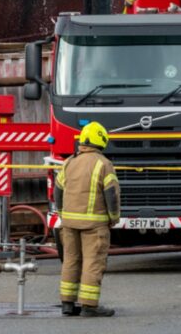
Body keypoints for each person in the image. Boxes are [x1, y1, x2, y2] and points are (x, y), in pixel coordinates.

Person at [54, 122, 119, 318]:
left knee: (71, 260)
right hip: (94, 225)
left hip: (69, 222)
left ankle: (67, 303)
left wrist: (61, 213)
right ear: (101, 140)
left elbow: (58, 190)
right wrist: (114, 217)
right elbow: (112, 195)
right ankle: (89, 306)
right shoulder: (103, 164)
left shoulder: (69, 162)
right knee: (93, 262)